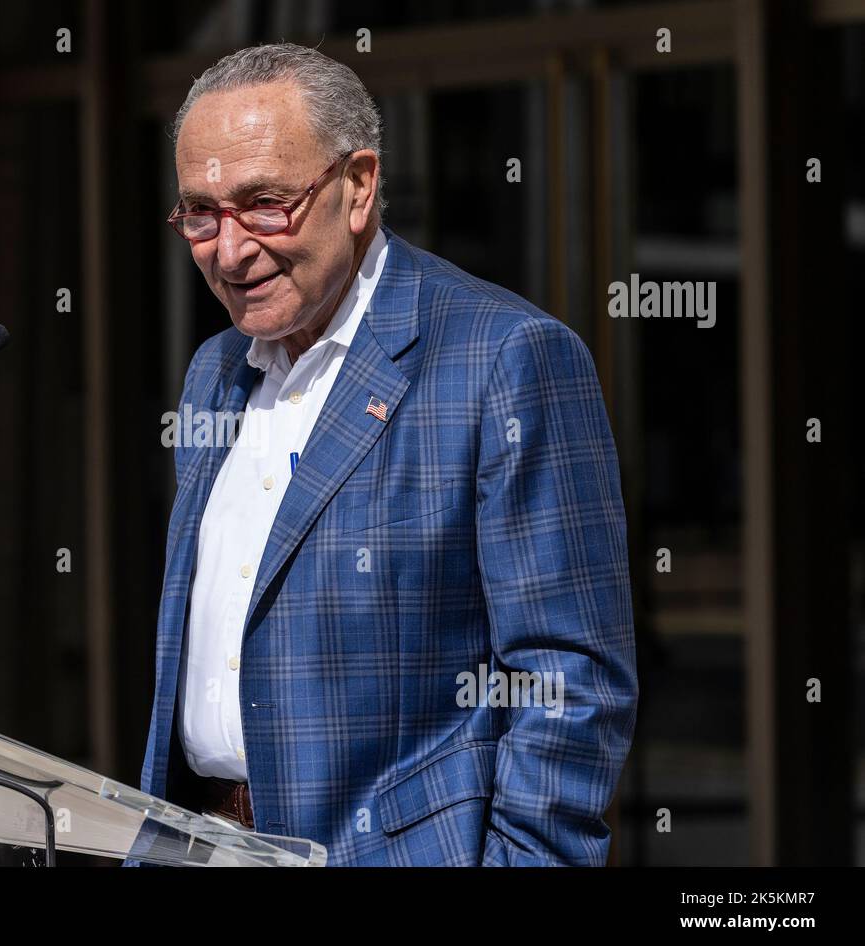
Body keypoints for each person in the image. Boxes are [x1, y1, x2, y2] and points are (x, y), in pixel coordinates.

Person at [133, 42, 637, 866]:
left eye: (263, 204)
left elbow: (568, 684)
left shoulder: (501, 358)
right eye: (201, 213)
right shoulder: (216, 372)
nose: (228, 251)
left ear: (359, 185)